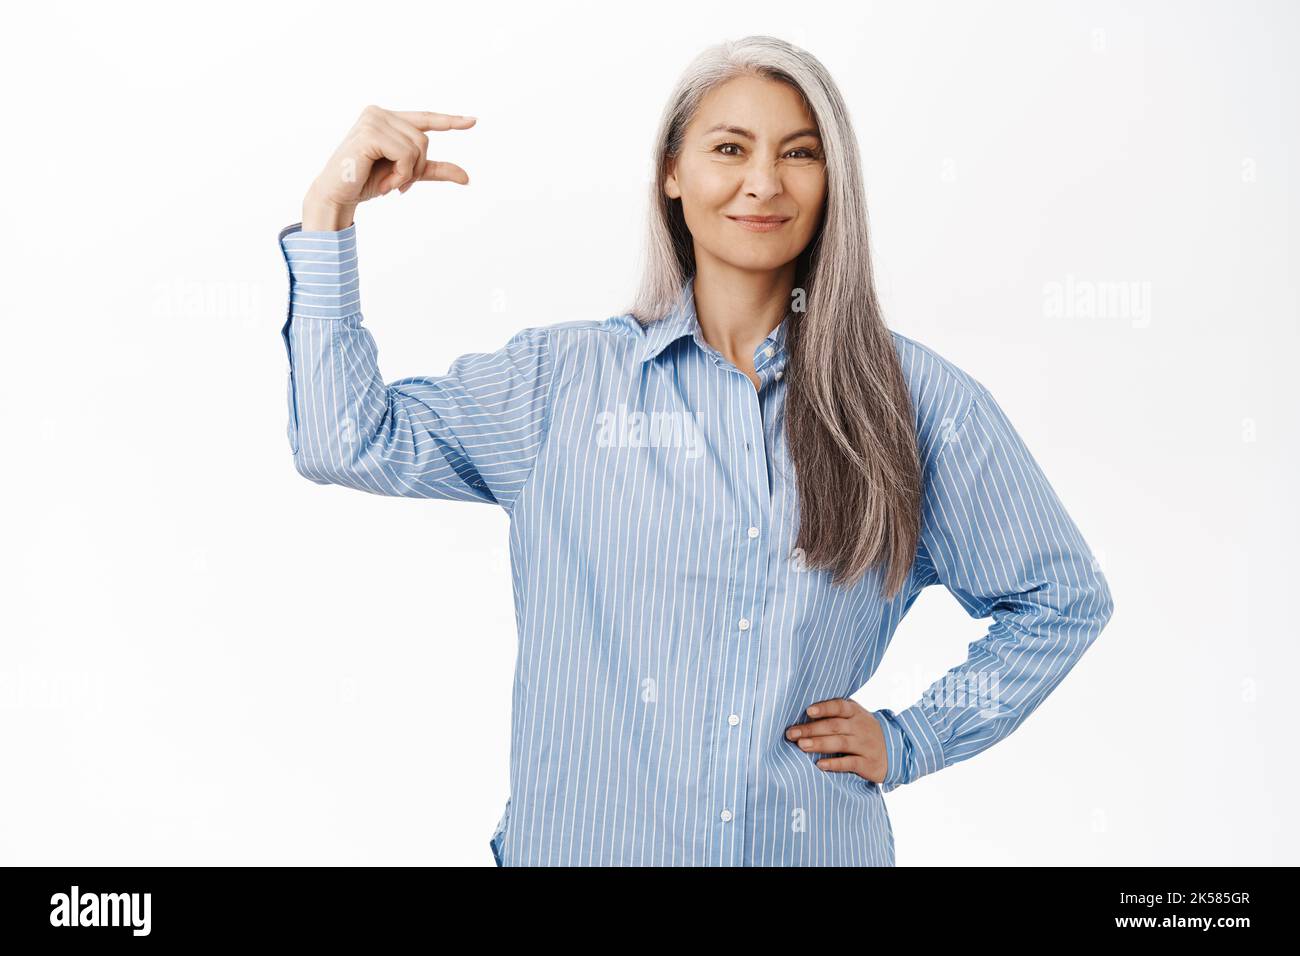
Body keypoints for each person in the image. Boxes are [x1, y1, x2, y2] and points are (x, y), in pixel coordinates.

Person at [276, 35, 1114, 866]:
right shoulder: (560, 385)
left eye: (799, 153)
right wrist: (329, 216)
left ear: (833, 184)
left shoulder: (915, 404)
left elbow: (1061, 598)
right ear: (672, 174)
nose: (763, 182)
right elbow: (345, 440)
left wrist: (916, 738)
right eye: (729, 149)